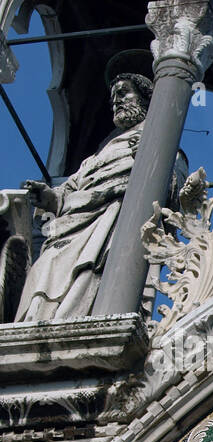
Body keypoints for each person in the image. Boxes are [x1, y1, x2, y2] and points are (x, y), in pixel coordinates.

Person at [17, 71, 161, 321]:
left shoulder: (157, 142)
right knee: (45, 266)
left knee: (87, 273)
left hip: (107, 225)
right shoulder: (99, 154)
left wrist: (148, 160)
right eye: (113, 96)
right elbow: (70, 190)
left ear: (145, 99)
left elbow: (169, 189)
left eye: (124, 92)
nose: (116, 100)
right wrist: (49, 196)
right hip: (72, 226)